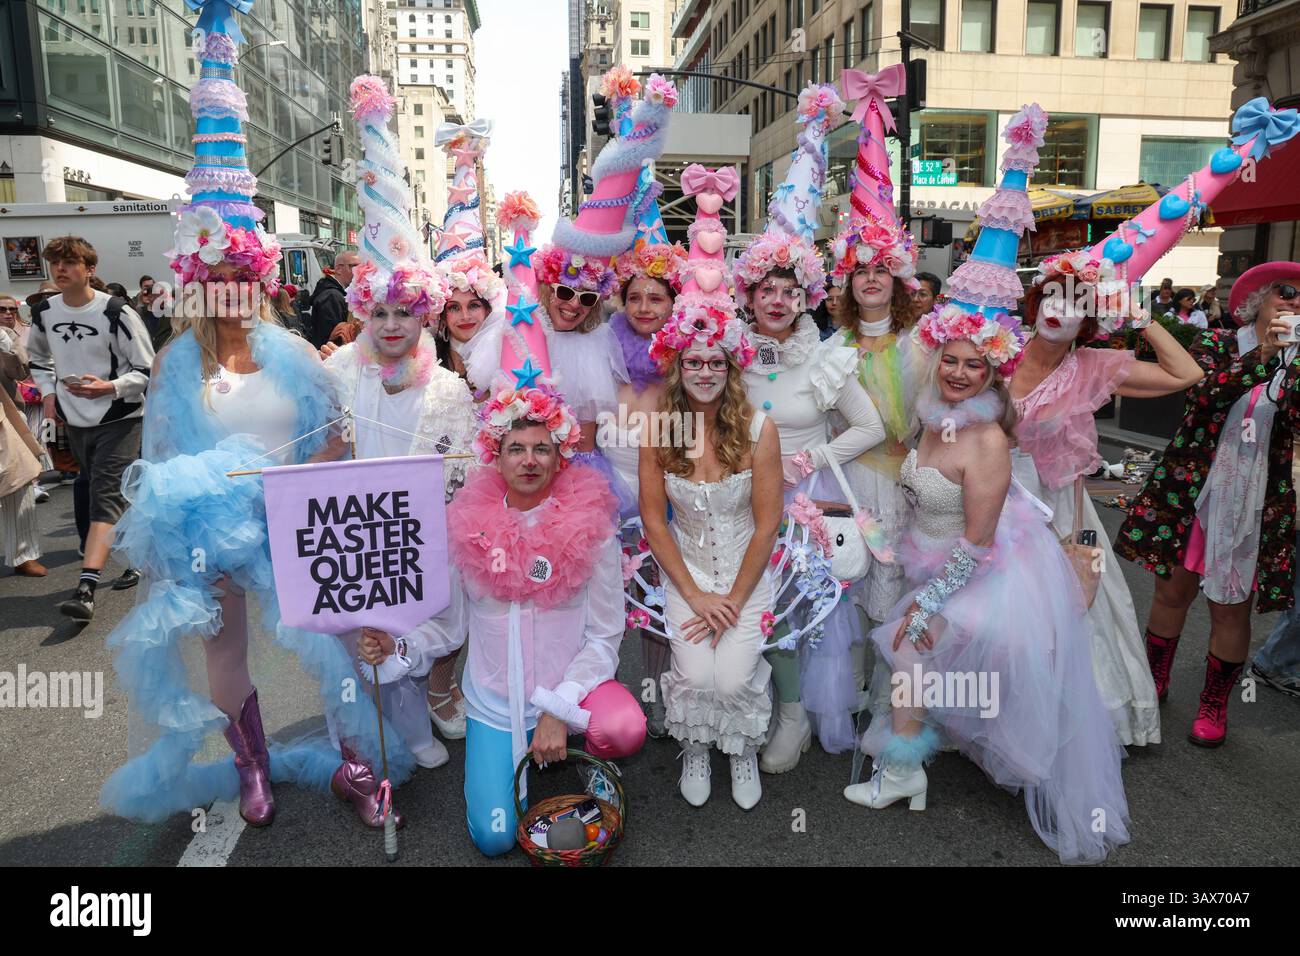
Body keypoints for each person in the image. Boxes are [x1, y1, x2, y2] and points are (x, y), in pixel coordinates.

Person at [99, 8, 404, 828]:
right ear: (195, 279)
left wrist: (314, 504)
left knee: (338, 643)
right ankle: (252, 767)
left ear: (258, 275)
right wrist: (197, 545)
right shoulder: (174, 363)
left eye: (242, 270)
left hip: (301, 520)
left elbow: (336, 439)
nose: (230, 286)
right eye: (216, 272)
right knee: (224, 651)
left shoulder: (295, 352)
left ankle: (355, 760)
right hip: (215, 533)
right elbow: (160, 464)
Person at [845, 308, 1131, 866]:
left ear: (990, 374)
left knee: (909, 648)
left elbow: (976, 543)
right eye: (949, 360)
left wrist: (926, 604)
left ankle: (905, 773)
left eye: (972, 365)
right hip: (939, 565)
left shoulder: (987, 442)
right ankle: (914, 766)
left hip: (991, 572)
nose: (957, 372)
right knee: (921, 657)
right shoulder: (931, 418)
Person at [443, 237, 645, 853]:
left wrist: (559, 706)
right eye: (515, 448)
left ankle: (573, 749)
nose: (529, 459)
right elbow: (448, 627)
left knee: (625, 727)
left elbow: (607, 634)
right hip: (491, 702)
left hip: (563, 693)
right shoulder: (467, 523)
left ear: (563, 453)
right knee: (496, 838)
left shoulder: (592, 524)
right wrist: (393, 646)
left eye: (542, 448)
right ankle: (526, 765)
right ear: (494, 455)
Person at [322, 74, 478, 794]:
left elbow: (462, 472)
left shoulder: (448, 389)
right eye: (379, 315)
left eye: (404, 315)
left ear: (424, 318)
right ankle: (401, 731)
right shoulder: (338, 377)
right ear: (365, 314)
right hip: (356, 532)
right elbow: (324, 449)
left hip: (422, 537)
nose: (391, 327)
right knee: (365, 643)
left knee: (419, 631)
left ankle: (428, 708)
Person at [736, 84, 889, 767]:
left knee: (792, 616)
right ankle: (746, 705)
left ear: (805, 297)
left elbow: (872, 425)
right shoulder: (727, 354)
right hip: (735, 503)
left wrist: (817, 457)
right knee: (743, 609)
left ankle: (794, 715)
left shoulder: (827, 358)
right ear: (750, 295)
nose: (775, 299)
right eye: (765, 289)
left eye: (787, 290)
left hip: (799, 506)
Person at [1116, 263, 1300, 747]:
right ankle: (1154, 678)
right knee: (1171, 593)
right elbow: (1204, 397)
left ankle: (1214, 704)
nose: (1294, 302)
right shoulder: (1218, 345)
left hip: (1254, 503)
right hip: (1192, 491)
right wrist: (1263, 357)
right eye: (1286, 292)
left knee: (1230, 608)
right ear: (1257, 300)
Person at [641, 290, 781, 810]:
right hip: (687, 577)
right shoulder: (659, 430)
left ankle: (741, 748)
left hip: (746, 576)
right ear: (679, 367)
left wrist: (736, 599)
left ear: (730, 367)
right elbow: (655, 521)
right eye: (694, 362)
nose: (704, 372)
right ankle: (696, 746)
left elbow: (768, 526)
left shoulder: (759, 430)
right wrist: (697, 596)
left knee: (733, 678)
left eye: (714, 362)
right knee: (697, 675)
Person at [26, 236, 154, 619]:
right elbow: (38, 360)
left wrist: (110, 387)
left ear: (90, 269)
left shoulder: (116, 310)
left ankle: (86, 587)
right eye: (55, 263)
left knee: (104, 494)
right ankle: (142, 550)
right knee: (116, 493)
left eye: (69, 263)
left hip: (121, 418)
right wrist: (49, 395)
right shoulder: (44, 311)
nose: (61, 270)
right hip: (75, 418)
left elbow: (146, 368)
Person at [604, 195, 687, 737]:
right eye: (635, 296)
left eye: (656, 297)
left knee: (659, 608)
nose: (644, 307)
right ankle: (602, 696)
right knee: (606, 606)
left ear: (671, 303)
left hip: (671, 502)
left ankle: (657, 695)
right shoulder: (600, 352)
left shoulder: (690, 359)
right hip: (605, 497)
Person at [0, 317, 46, 576]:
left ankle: (24, 554)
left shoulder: (4, 335)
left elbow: (20, 372)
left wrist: (5, 345)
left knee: (20, 481)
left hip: (3, 418)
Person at [307, 249, 359, 349]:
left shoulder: (336, 293)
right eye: (355, 266)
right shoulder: (331, 296)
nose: (359, 271)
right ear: (339, 269)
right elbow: (333, 337)